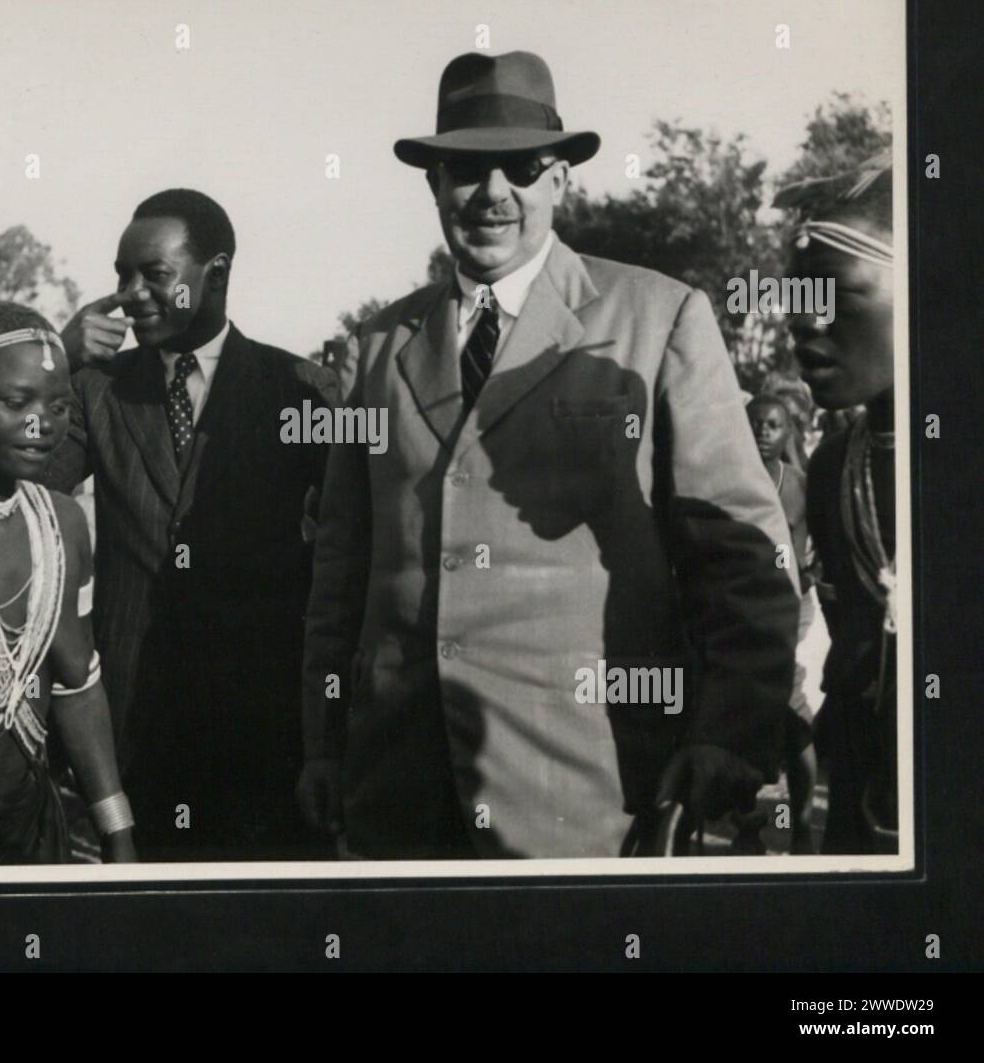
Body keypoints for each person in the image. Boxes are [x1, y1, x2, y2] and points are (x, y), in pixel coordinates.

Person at [299, 51, 800, 859]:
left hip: (592, 794)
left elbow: (742, 550)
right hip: (399, 792)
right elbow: (340, 567)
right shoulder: (374, 349)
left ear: (561, 180)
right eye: (465, 167)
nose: (493, 193)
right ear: (433, 184)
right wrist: (324, 742)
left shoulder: (659, 317)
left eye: (521, 167)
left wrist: (730, 736)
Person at [46, 189, 340, 861]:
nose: (129, 293)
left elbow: (351, 543)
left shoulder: (300, 387)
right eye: (121, 273)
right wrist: (55, 359)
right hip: (131, 730)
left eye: (155, 273)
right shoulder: (95, 389)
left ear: (217, 271)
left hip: (265, 725)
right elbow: (14, 491)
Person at [0, 301, 136, 865]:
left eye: (60, 405)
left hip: (31, 827)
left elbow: (76, 682)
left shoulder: (61, 523)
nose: (44, 424)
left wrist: (116, 827)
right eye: (16, 403)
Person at [780, 150, 897, 854]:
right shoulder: (833, 465)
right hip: (863, 781)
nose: (802, 326)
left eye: (836, 297)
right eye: (795, 304)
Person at [744, 392, 817, 853]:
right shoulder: (731, 480)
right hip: (742, 613)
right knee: (744, 716)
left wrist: (810, 572)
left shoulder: (801, 485)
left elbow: (823, 543)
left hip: (790, 613)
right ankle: (747, 828)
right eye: (756, 424)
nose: (763, 433)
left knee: (792, 714)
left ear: (788, 432)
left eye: (773, 425)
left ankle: (804, 828)